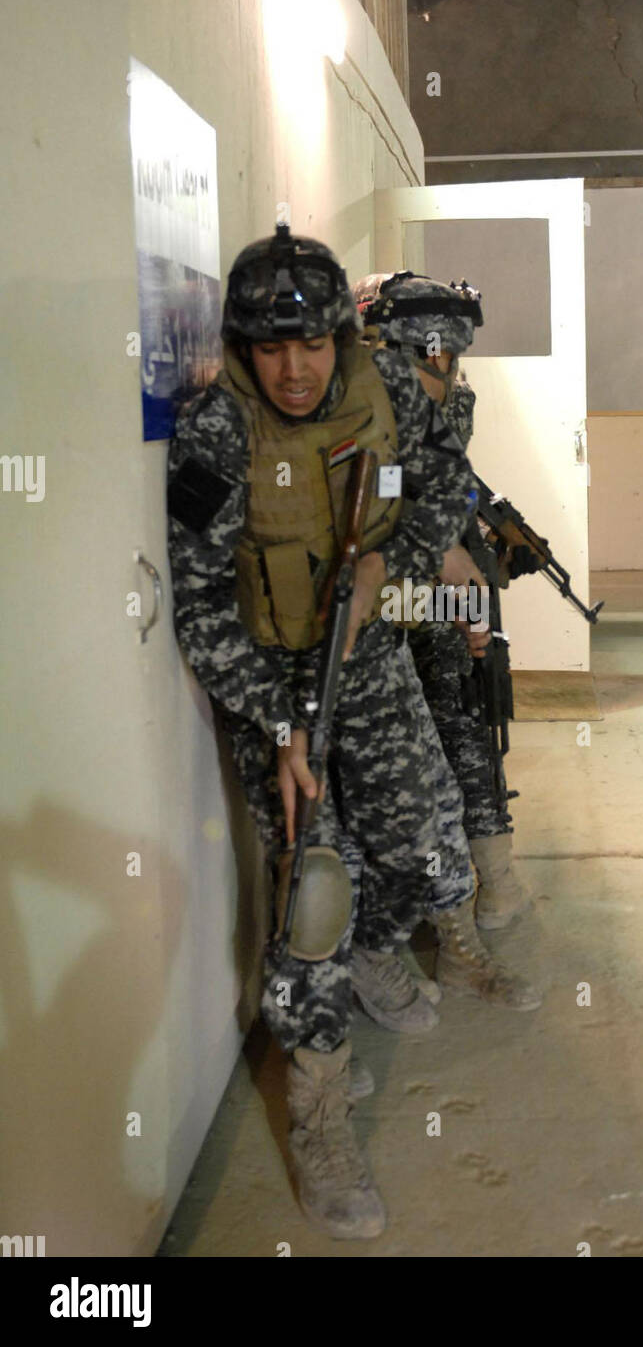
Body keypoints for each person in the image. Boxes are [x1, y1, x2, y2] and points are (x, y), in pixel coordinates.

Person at [166, 226, 479, 1240]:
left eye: (310, 345)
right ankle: (320, 1115)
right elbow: (202, 605)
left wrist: (410, 564)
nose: (294, 369)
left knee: (411, 841)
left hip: (376, 652)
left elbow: (443, 461)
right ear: (243, 345)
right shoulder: (216, 436)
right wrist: (275, 720)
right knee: (314, 894)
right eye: (270, 348)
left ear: (343, 332)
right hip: (279, 681)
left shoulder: (387, 379)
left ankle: (388, 952)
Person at [352, 270, 543, 1017]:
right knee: (367, 813)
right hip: (355, 627)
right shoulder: (345, 408)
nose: (442, 371)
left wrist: (464, 563)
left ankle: (472, 909)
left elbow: (440, 486)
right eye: (427, 355)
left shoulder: (439, 402)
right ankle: (377, 956)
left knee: (452, 750)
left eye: (449, 358)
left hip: (404, 613)